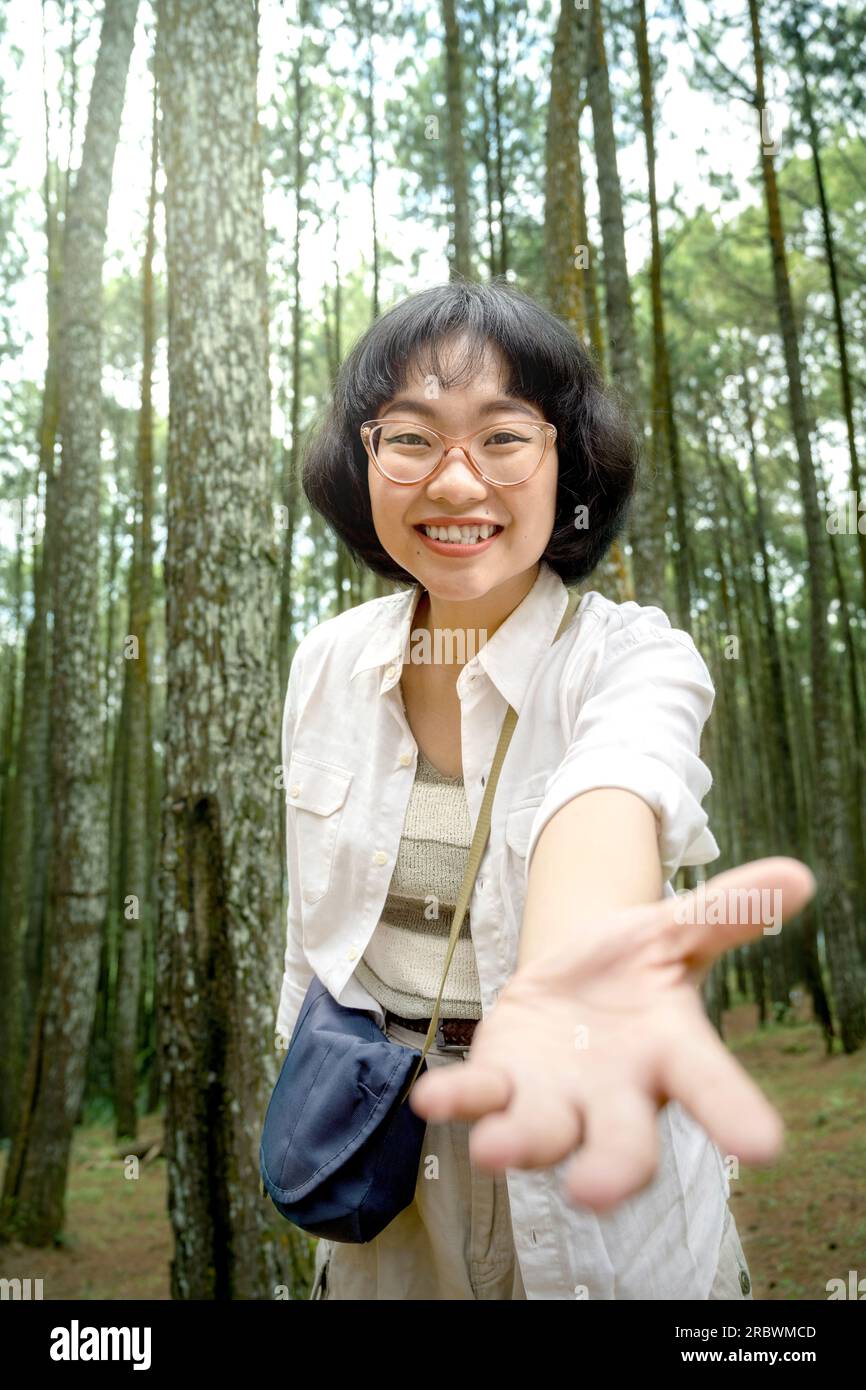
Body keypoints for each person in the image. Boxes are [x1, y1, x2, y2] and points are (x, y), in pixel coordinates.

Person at [274, 279, 815, 1300]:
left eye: (503, 438)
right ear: (361, 460)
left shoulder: (629, 658)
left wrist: (564, 979)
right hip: (381, 1153)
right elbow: (308, 932)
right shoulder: (326, 663)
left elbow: (613, 790)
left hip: (587, 1153)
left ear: (565, 458)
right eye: (409, 438)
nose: (455, 481)